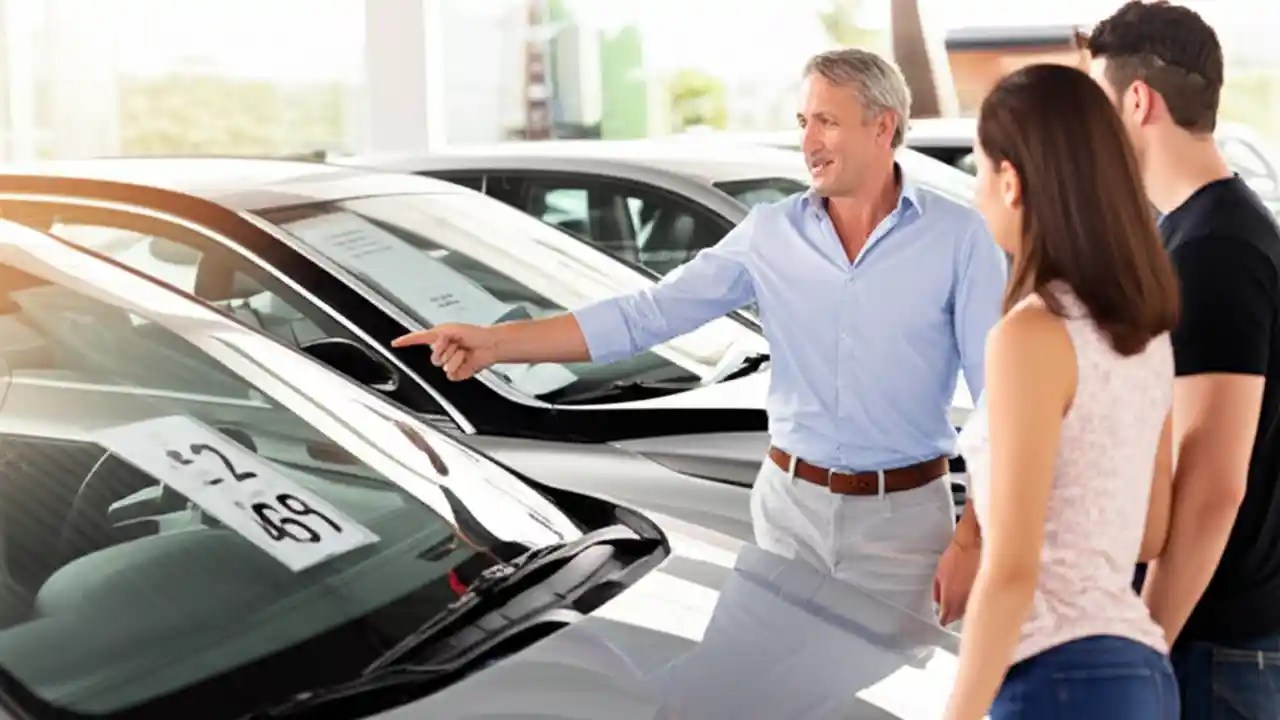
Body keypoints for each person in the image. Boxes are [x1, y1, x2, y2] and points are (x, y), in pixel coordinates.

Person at [391, 48, 1007, 620]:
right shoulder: (769, 233)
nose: (808, 142)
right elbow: (648, 315)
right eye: (802, 121)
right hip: (789, 510)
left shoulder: (959, 239)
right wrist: (498, 344)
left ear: (883, 126)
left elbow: (997, 406)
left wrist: (973, 538)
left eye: (827, 122)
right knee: (739, 692)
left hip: (904, 529)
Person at [943, 63, 1182, 720]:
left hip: (1058, 677)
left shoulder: (1029, 337)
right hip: (1143, 676)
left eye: (980, 172)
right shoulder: (1143, 334)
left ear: (1012, 182)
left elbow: (1014, 569)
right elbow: (1149, 530)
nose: (976, 194)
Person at [1088, 3, 1280, 717]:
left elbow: (1210, 483)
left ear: (1137, 101)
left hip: (1216, 647)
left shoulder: (1215, 250)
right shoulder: (1199, 233)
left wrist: (1142, 645)